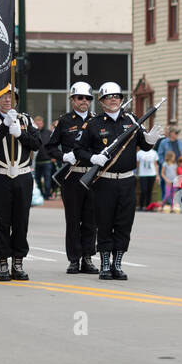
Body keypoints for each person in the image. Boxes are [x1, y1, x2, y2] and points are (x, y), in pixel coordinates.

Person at [77, 82, 164, 281]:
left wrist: (150, 140)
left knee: (124, 223)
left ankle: (118, 262)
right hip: (104, 181)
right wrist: (93, 159)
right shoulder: (94, 124)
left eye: (117, 96)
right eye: (109, 97)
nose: (114, 99)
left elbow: (144, 146)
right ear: (102, 102)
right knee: (105, 222)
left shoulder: (132, 120)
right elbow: (79, 150)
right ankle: (105, 263)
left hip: (126, 181)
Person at [0, 87, 41, 282]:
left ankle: (18, 261)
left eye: (11, 97)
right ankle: (3, 262)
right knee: (3, 222)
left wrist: (20, 134)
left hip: (22, 176)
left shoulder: (26, 120)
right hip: (0, 176)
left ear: (16, 100)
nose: (7, 100)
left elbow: (37, 143)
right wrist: (5, 126)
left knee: (21, 221)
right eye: (3, 97)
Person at [47, 81, 99, 275]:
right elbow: (50, 146)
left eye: (87, 98)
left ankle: (88, 257)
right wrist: (63, 156)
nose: (84, 101)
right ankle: (74, 259)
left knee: (90, 220)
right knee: (73, 219)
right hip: (72, 176)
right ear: (72, 100)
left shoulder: (97, 120)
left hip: (92, 176)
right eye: (80, 98)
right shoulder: (65, 121)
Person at [136, 142, 158, 211]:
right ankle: (141, 206)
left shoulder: (154, 152)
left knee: (149, 191)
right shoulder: (139, 153)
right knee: (143, 190)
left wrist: (157, 175)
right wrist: (136, 173)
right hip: (143, 174)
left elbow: (155, 164)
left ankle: (148, 206)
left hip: (152, 174)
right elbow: (137, 164)